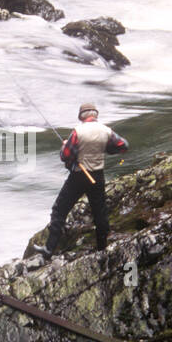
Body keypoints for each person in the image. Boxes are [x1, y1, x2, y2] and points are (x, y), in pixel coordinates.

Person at [35, 102, 128, 259]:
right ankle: (102, 248)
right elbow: (123, 146)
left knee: (59, 210)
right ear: (95, 115)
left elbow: (65, 156)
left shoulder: (77, 132)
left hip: (78, 177)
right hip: (97, 177)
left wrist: (66, 146)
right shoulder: (106, 131)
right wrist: (105, 149)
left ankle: (49, 250)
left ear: (81, 116)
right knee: (100, 214)